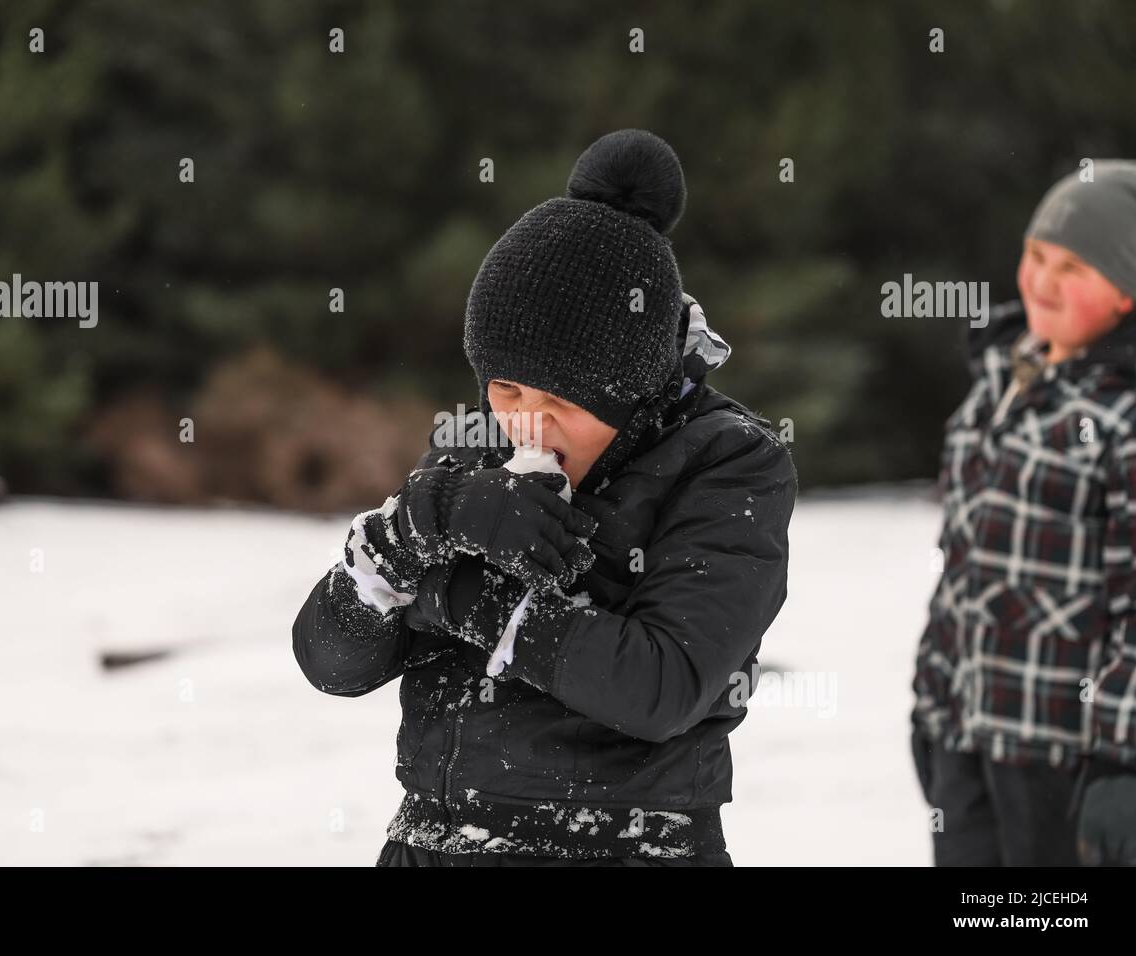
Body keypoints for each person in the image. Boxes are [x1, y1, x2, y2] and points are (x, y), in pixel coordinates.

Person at [293, 129, 797, 866]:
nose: (526, 419)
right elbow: (330, 662)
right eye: (505, 387)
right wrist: (418, 526)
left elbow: (660, 686)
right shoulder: (476, 452)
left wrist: (462, 598)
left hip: (624, 848)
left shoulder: (728, 462)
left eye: (561, 397)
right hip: (434, 840)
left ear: (631, 385)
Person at [911, 161, 1136, 866]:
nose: (1042, 280)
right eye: (1036, 255)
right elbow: (962, 569)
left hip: (1067, 756)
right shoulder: (994, 387)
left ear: (1128, 293)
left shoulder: (1124, 417)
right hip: (968, 734)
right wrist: (931, 700)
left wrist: (1123, 762)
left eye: (1074, 267)